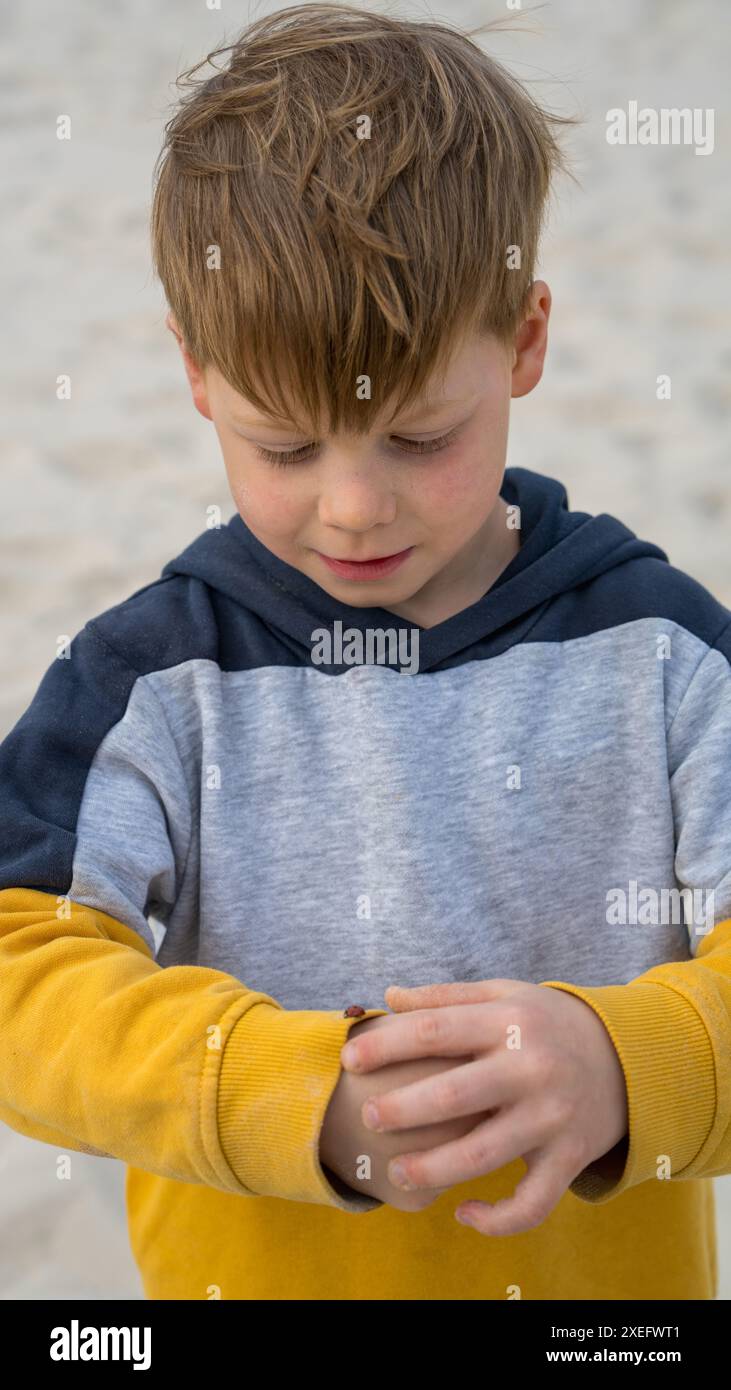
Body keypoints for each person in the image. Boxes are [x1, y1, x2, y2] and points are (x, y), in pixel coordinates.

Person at [1, 3, 729, 1300]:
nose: (352, 505)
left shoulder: (665, 655)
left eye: (418, 435)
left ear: (527, 341)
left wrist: (631, 1061)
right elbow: (19, 964)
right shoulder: (157, 680)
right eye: (283, 447)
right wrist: (284, 1091)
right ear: (196, 376)